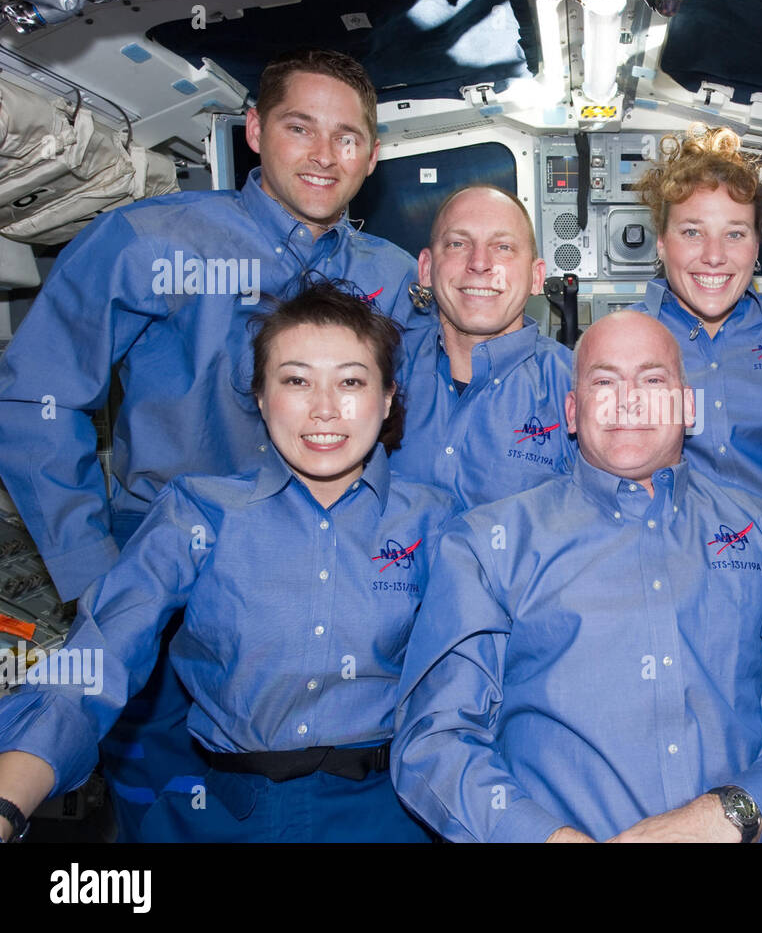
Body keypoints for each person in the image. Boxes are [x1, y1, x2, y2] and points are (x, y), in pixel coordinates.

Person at [0, 48, 420, 839]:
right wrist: (95, 572)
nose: (325, 156)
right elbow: (38, 399)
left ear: (372, 153)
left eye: (348, 137)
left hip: (332, 584)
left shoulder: (393, 275)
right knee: (161, 805)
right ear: (257, 130)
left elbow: (422, 417)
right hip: (162, 581)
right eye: (301, 128)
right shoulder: (148, 241)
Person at [0, 283, 456, 843]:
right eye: (295, 380)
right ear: (261, 398)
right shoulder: (199, 509)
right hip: (222, 812)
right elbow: (104, 649)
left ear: (387, 398)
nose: (324, 408)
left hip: (386, 814)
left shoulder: (434, 523)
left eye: (351, 381)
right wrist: (8, 799)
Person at [391, 311, 762, 842]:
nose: (629, 400)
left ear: (689, 407)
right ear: (572, 412)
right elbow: (435, 739)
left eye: (653, 380)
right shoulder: (487, 547)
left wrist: (726, 818)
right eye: (603, 381)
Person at [627, 125, 762, 515]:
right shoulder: (626, 342)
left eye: (734, 234)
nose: (714, 256)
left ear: (756, 244)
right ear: (662, 243)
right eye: (692, 232)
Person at [392, 185, 576, 508]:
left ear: (536, 277)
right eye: (458, 244)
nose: (479, 263)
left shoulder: (576, 386)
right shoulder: (380, 370)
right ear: (425, 268)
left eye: (503, 247)